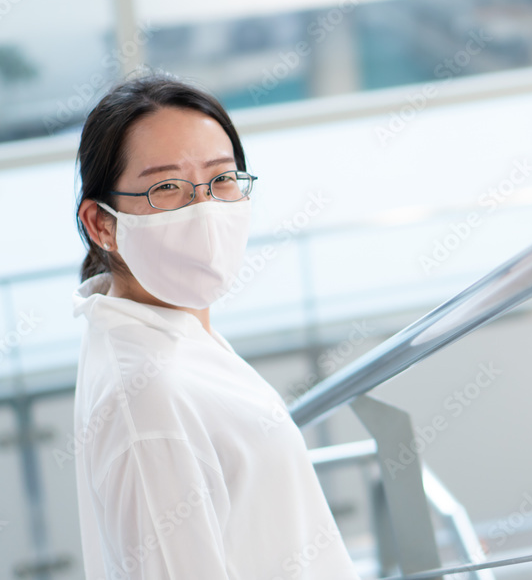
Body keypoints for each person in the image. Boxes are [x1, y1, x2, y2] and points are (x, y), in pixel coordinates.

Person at [71, 72, 361, 579]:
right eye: (167, 188)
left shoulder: (173, 336)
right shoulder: (147, 396)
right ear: (102, 224)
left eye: (221, 180)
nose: (205, 211)